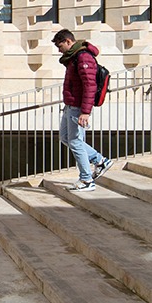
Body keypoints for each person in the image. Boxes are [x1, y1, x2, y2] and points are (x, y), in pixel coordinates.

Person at [52, 28, 112, 191]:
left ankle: (86, 180)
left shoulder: (83, 57)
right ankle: (99, 160)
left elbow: (89, 86)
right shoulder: (73, 58)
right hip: (70, 105)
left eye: (60, 46)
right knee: (65, 137)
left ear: (68, 41)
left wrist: (85, 112)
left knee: (76, 142)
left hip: (78, 107)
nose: (59, 50)